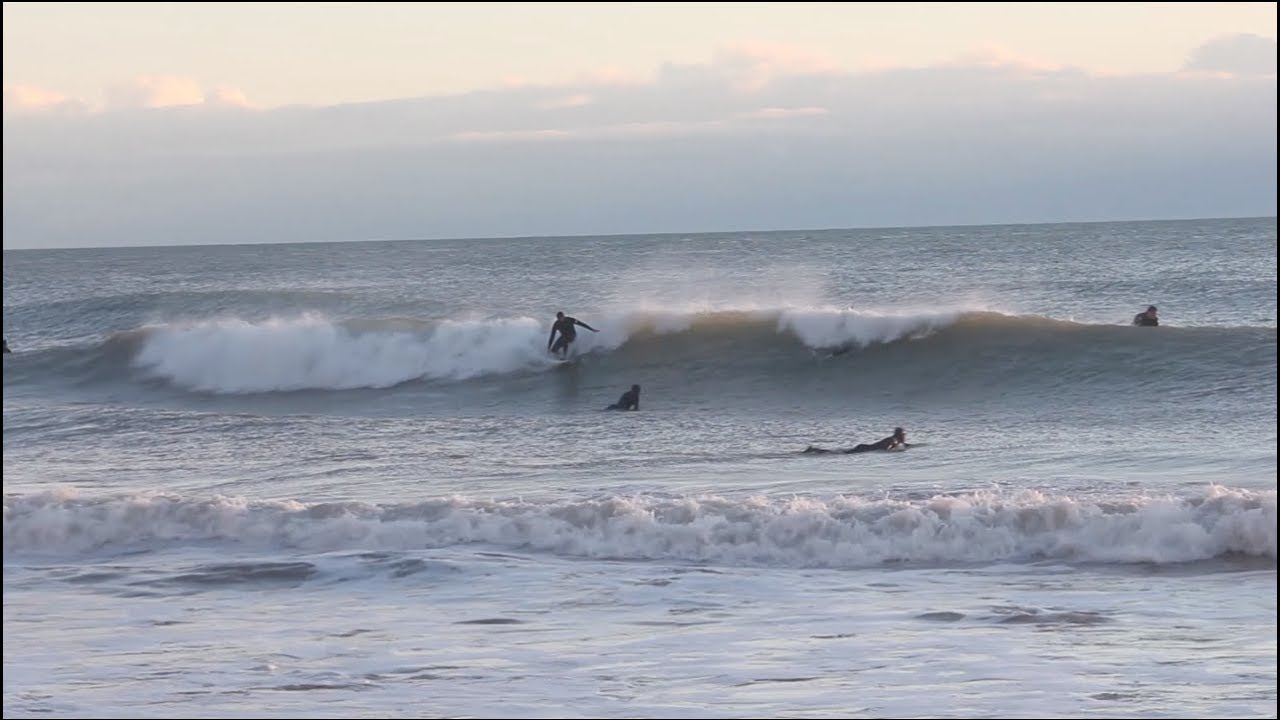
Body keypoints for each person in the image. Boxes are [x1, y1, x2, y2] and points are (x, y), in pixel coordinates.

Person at [804, 427, 908, 454]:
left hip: (865, 447)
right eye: (904, 434)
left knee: (841, 453)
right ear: (900, 435)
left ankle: (815, 450)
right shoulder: (894, 440)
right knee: (839, 453)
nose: (905, 436)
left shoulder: (895, 440)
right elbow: (887, 448)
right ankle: (815, 450)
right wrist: (889, 450)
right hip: (865, 449)